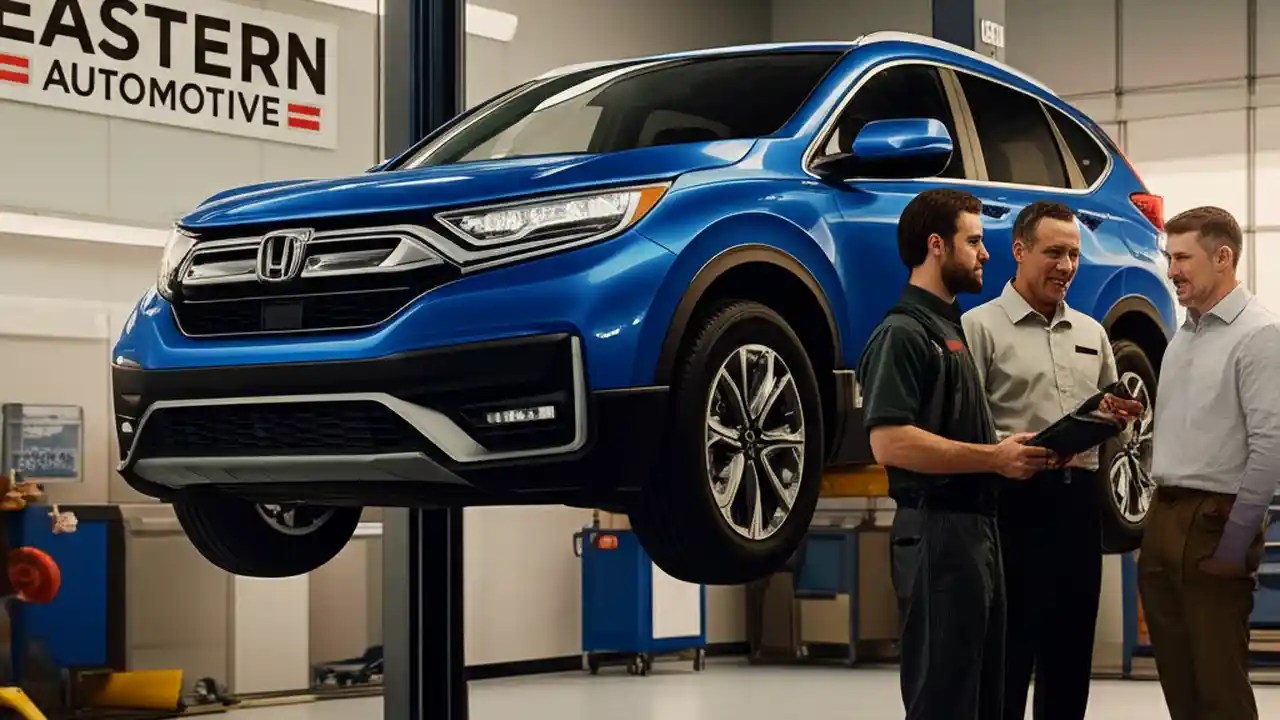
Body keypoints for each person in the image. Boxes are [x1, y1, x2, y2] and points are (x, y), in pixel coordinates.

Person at [857, 188, 1058, 720]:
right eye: (974, 241)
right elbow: (889, 442)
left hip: (976, 533)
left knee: (984, 695)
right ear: (936, 246)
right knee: (944, 698)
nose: (985, 253)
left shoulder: (952, 330)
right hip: (937, 534)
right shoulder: (902, 334)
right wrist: (992, 458)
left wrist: (1010, 453)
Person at [960, 201, 1144, 720]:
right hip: (1013, 504)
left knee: (1069, 657)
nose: (1066, 265)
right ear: (1019, 251)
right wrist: (1009, 446)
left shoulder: (1093, 333)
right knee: (1008, 656)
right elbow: (965, 425)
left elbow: (1107, 410)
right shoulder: (979, 328)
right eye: (1054, 252)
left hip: (1079, 505)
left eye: (1074, 255)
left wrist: (1116, 415)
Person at [1139, 206, 1280, 720]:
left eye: (1182, 257)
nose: (1171, 269)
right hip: (1165, 517)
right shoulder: (1186, 335)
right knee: (1180, 683)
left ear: (1223, 258)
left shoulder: (1259, 335)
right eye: (1168, 257)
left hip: (1214, 521)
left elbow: (1270, 448)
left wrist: (1234, 544)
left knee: (1219, 688)